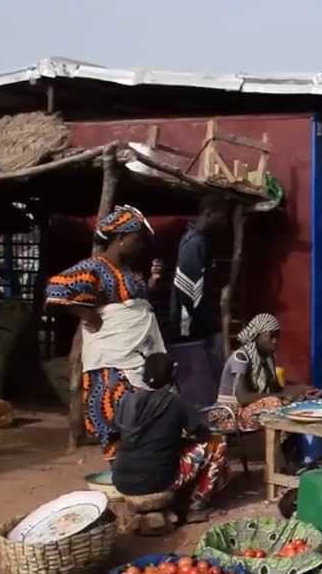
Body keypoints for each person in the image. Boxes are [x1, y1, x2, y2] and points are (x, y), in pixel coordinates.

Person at [47, 206, 166, 460]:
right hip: (112, 359)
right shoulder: (96, 267)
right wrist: (86, 314)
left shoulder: (130, 271)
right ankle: (123, 473)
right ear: (120, 238)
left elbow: (135, 304)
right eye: (137, 240)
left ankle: (140, 472)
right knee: (118, 414)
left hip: (139, 353)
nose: (141, 246)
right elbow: (57, 287)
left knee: (148, 415)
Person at [112, 353, 228, 516]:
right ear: (172, 374)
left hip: (121, 481)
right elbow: (203, 434)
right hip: (158, 481)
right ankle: (196, 505)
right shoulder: (174, 401)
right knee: (217, 443)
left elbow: (116, 434)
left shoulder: (126, 400)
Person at [167, 195, 232, 400]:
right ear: (209, 213)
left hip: (194, 325)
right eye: (221, 217)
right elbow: (188, 291)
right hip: (191, 329)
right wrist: (196, 325)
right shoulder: (194, 242)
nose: (224, 222)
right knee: (198, 385)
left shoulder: (198, 240)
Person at [214, 313, 288, 431]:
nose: (275, 341)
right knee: (274, 403)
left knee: (291, 404)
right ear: (257, 336)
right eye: (271, 336)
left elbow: (277, 391)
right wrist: (278, 397)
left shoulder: (267, 359)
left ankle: (284, 446)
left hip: (247, 410)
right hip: (230, 414)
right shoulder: (241, 357)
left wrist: (298, 394)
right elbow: (242, 397)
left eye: (277, 337)